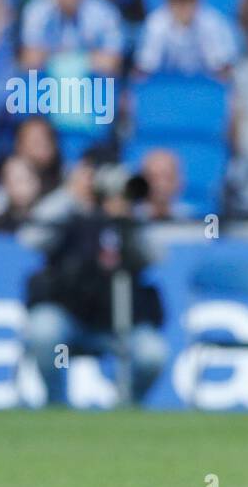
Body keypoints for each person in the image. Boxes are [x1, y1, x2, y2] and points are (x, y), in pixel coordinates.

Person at [22, 163, 167, 405]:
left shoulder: (128, 221)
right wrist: (69, 195)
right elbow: (30, 237)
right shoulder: (69, 213)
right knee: (43, 331)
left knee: (152, 354)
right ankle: (56, 405)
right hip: (69, 315)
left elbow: (157, 256)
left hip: (119, 322)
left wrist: (130, 215)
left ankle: (126, 406)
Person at [19, 0, 123, 76]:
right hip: (48, 82)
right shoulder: (37, 10)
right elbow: (30, 61)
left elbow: (111, 62)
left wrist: (63, 58)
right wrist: (84, 58)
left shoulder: (104, 11)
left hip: (90, 83)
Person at [133, 0, 239, 78]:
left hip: (205, 83)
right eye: (178, 4)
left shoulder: (211, 23)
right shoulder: (156, 23)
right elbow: (145, 67)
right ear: (168, 2)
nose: (183, 10)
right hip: (168, 83)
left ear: (197, 1)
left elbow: (222, 69)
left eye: (187, 3)